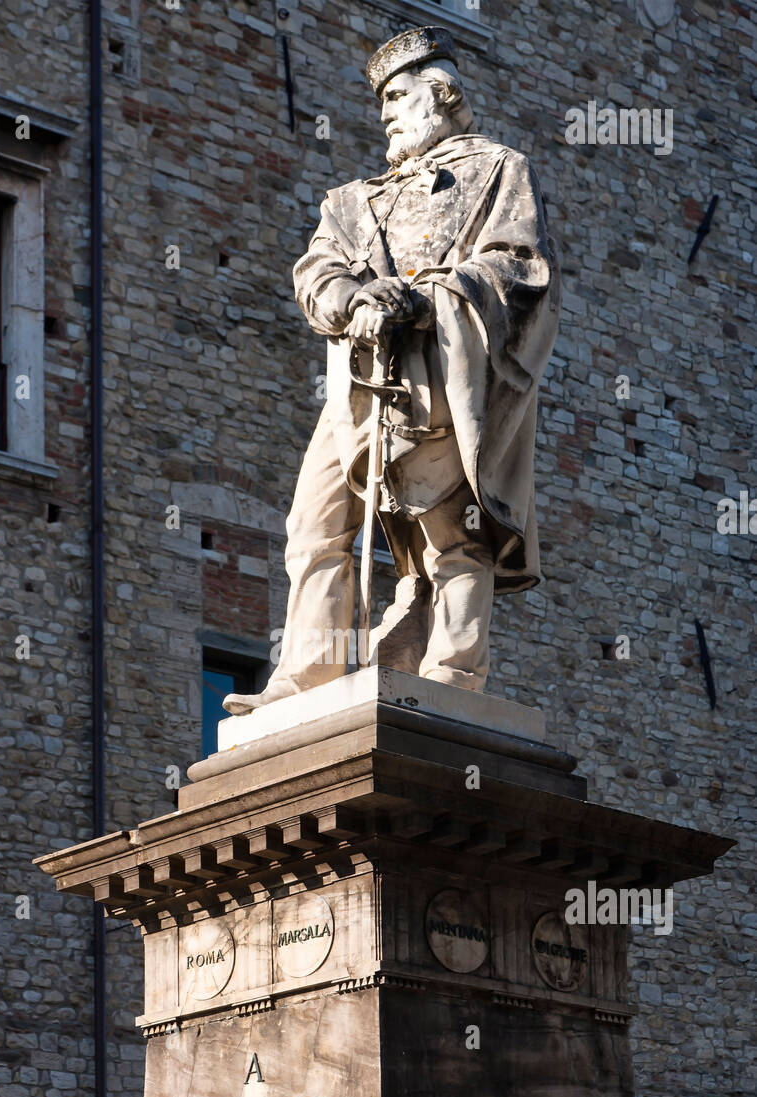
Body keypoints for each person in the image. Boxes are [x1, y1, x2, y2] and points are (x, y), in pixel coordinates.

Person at [224, 25, 559, 715]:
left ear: (443, 96)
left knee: (452, 527)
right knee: (314, 525)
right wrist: (355, 297)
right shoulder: (352, 201)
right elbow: (316, 271)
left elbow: (520, 268)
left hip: (446, 372)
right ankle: (308, 676)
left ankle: (453, 678)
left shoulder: (501, 171)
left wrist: (428, 298)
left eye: (400, 97)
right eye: (383, 102)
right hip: (359, 381)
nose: (387, 114)